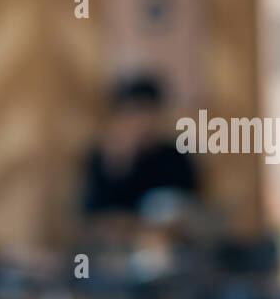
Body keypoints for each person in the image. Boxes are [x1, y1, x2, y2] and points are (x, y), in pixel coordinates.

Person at [80, 74, 198, 218]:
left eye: (148, 113)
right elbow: (93, 216)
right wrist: (118, 166)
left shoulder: (176, 155)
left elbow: (193, 206)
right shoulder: (105, 159)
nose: (142, 123)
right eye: (134, 114)